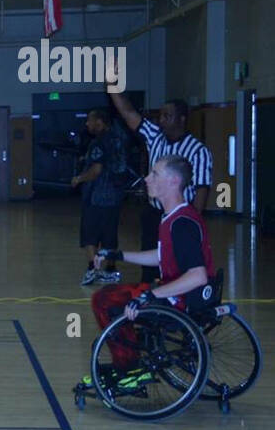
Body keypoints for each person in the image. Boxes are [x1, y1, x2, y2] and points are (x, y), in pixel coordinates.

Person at [81, 155, 214, 387]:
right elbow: (161, 257)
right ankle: (128, 364)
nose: (147, 178)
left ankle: (131, 370)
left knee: (105, 301)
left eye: (155, 174)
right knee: (106, 296)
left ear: (173, 181)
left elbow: (198, 275)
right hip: (171, 294)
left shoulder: (182, 223)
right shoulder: (172, 217)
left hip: (179, 302)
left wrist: (150, 296)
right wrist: (118, 254)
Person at [106, 60, 212, 283]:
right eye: (160, 115)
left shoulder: (197, 150)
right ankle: (150, 302)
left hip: (180, 216)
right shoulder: (155, 136)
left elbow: (202, 191)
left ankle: (175, 302)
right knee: (151, 268)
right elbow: (127, 112)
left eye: (167, 116)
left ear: (182, 119)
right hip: (154, 213)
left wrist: (191, 224)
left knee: (177, 266)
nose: (161, 120)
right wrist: (112, 84)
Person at [71, 108, 129, 285]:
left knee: (89, 234)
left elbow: (96, 170)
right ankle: (111, 270)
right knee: (110, 235)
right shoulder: (119, 140)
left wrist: (79, 179)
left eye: (90, 120)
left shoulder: (98, 143)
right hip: (115, 196)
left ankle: (92, 269)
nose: (87, 124)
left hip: (97, 196)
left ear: (100, 122)